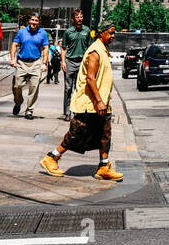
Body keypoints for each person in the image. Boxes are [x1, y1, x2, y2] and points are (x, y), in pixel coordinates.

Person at [39, 20, 122, 181]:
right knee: (77, 133)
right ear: (101, 33)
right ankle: (51, 157)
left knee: (105, 135)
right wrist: (98, 101)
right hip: (89, 103)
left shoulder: (103, 50)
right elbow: (90, 78)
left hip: (101, 103)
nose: (113, 36)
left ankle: (103, 167)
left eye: (114, 33)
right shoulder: (95, 52)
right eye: (110, 32)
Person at [10, 13, 49, 120]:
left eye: (36, 20)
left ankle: (29, 110)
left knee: (34, 88)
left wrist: (44, 63)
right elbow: (14, 45)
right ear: (29, 21)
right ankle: (18, 102)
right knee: (16, 86)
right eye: (32, 20)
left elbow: (46, 48)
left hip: (36, 63)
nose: (34, 22)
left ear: (39, 22)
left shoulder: (43, 33)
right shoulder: (22, 32)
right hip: (22, 63)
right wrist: (13, 59)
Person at [60, 9, 92, 119]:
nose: (79, 19)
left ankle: (77, 111)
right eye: (77, 17)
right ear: (73, 19)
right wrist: (63, 61)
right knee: (68, 88)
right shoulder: (68, 32)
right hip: (70, 61)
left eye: (81, 17)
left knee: (80, 88)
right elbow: (63, 48)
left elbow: (89, 48)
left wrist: (89, 62)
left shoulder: (87, 31)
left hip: (82, 63)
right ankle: (67, 112)